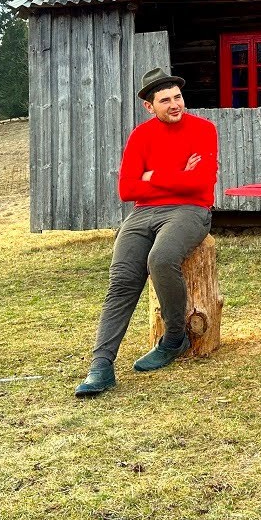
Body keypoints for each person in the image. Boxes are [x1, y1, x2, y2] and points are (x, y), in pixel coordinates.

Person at [75, 68, 218, 398]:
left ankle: (174, 338)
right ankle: (101, 366)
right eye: (165, 100)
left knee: (161, 258)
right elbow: (126, 189)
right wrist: (177, 173)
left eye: (177, 97)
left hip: (191, 210)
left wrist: (152, 176)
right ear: (149, 106)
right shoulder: (141, 136)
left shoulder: (203, 130)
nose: (174, 105)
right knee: (122, 278)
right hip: (143, 213)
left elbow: (200, 182)